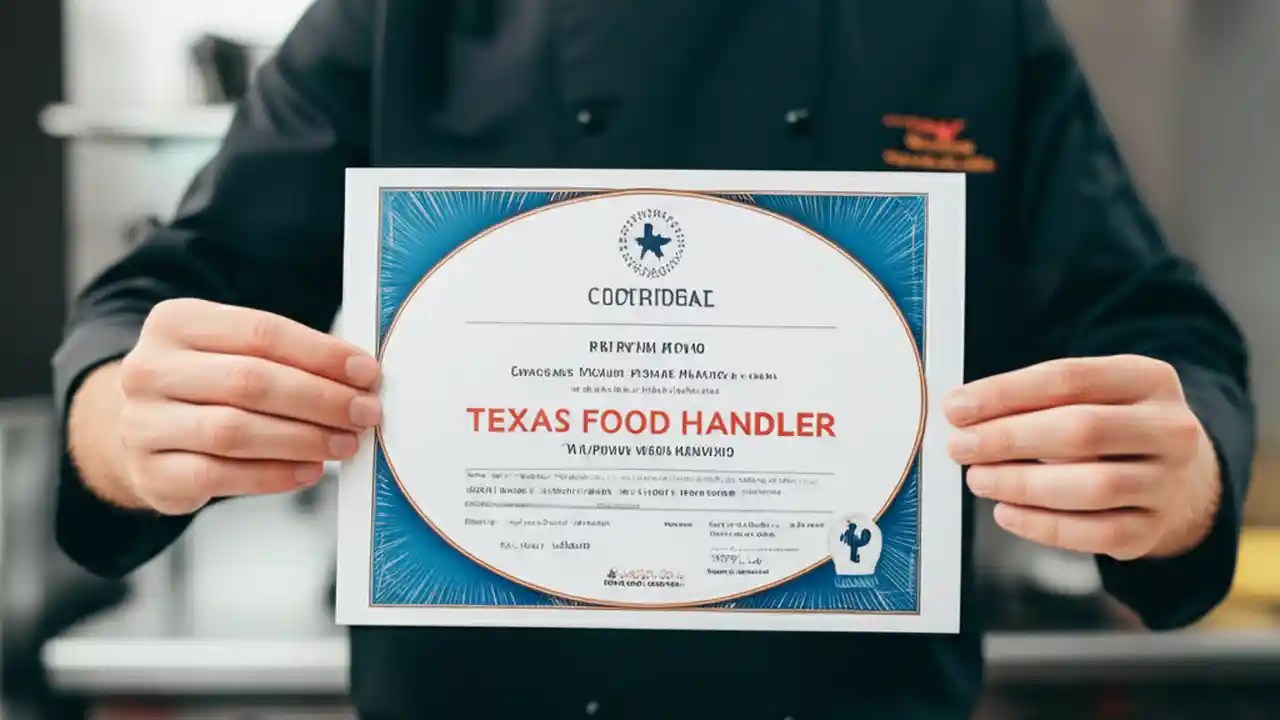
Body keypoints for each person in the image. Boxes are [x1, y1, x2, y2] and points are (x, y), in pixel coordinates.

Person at [53, 1, 1254, 717]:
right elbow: (159, 301)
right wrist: (123, 424)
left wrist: (1177, 476)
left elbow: (1157, 329)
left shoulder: (962, 17)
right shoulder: (403, 15)